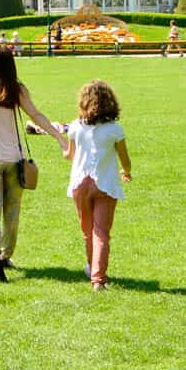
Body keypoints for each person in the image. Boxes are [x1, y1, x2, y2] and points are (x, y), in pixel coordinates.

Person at [0, 46, 63, 282]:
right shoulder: (16, 90)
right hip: (13, 159)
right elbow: (35, 115)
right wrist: (59, 138)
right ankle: (7, 255)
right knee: (12, 210)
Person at [64, 80, 132, 292]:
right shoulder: (115, 129)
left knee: (88, 231)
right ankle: (98, 279)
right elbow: (124, 159)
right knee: (101, 232)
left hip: (80, 183)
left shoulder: (76, 126)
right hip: (104, 184)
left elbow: (70, 155)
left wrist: (62, 146)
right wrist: (127, 172)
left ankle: (93, 268)